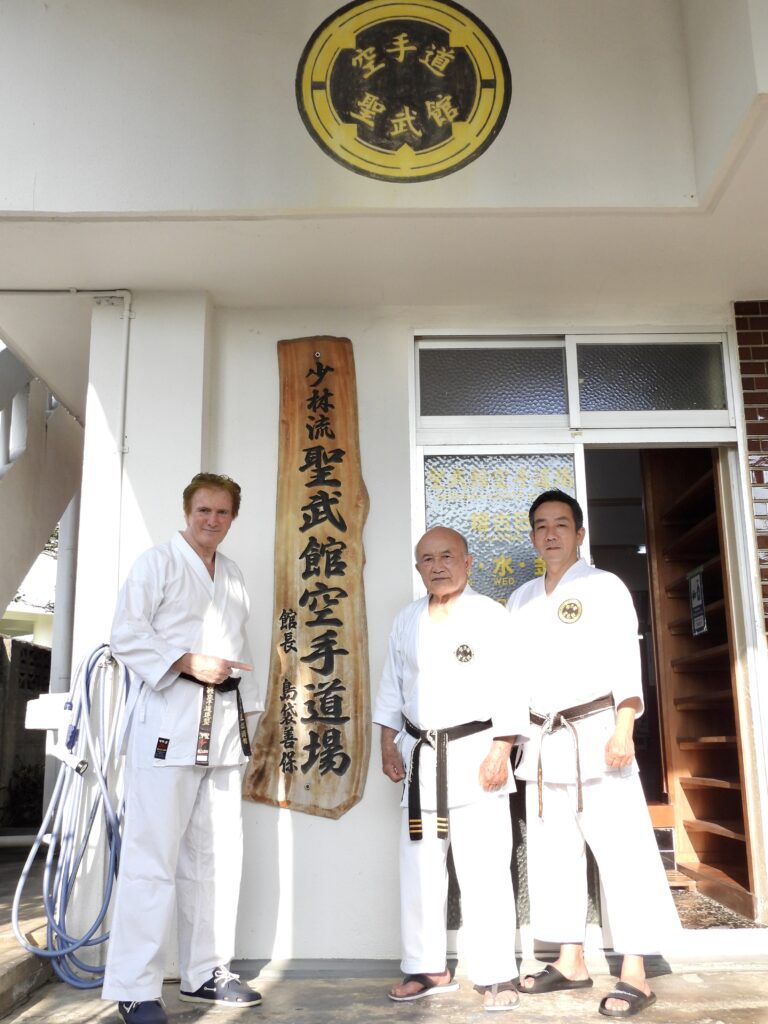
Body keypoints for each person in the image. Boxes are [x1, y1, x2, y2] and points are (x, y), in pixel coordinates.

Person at [506, 489, 679, 1019]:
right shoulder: (520, 599)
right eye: (541, 525)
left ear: (580, 534)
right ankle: (571, 959)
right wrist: (509, 739)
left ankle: (635, 970)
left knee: (622, 852)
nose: (551, 533)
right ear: (532, 537)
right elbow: (510, 678)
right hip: (542, 742)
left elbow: (625, 657)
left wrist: (625, 726)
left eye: (561, 524)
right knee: (553, 853)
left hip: (598, 734)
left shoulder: (605, 587)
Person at [102, 473, 262, 1024]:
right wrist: (188, 661)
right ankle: (135, 987)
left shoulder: (233, 575)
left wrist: (253, 723)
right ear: (187, 510)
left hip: (223, 733)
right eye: (203, 510)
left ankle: (205, 972)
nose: (211, 520)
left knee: (217, 859)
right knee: (151, 861)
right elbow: (126, 634)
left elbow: (241, 649)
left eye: (222, 512)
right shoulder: (157, 564)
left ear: (232, 517)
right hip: (168, 727)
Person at [373, 526, 529, 1012]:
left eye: (446, 556)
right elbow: (393, 685)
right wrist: (387, 742)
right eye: (427, 559)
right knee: (419, 868)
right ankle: (427, 968)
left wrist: (501, 749)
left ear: (467, 562)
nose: (437, 566)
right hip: (421, 757)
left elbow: (511, 685)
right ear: (417, 567)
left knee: (484, 868)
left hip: (476, 753)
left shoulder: (490, 615)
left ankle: (497, 973)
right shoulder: (407, 619)